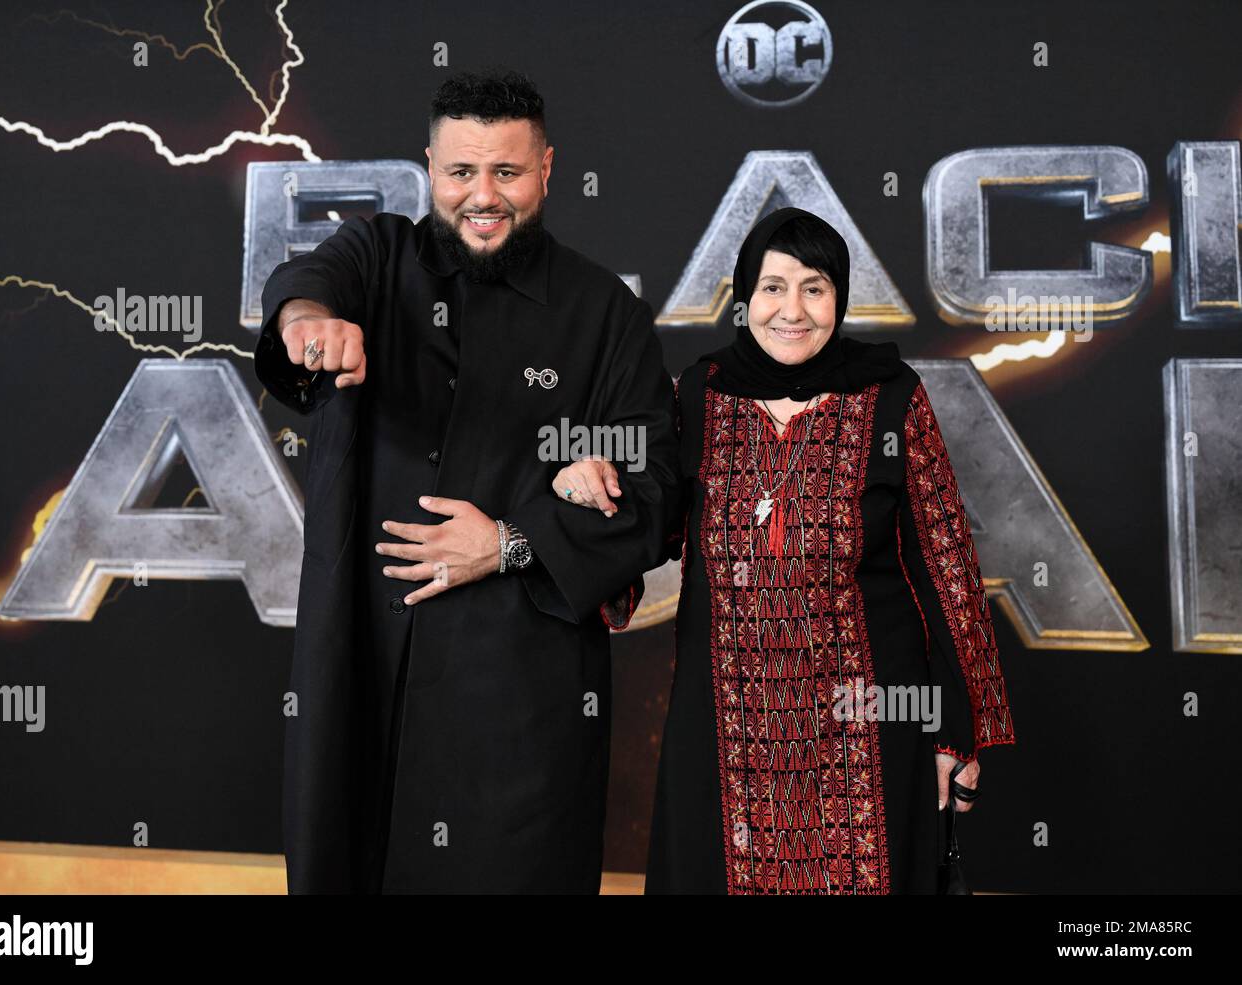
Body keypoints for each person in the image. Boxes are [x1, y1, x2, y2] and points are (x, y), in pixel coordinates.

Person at [253, 69, 679, 893]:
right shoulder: (374, 258)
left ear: (548, 171)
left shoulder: (605, 314)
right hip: (358, 673)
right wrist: (308, 322)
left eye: (507, 173)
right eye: (460, 173)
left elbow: (654, 489)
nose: (482, 196)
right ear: (429, 170)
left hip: (520, 705)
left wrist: (512, 542)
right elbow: (301, 287)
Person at [552, 208, 1017, 893]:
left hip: (866, 727)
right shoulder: (699, 396)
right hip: (725, 727)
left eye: (814, 287)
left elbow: (947, 570)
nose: (790, 310)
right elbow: (651, 522)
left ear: (841, 297)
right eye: (772, 288)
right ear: (745, 298)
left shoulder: (892, 397)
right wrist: (585, 479)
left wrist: (955, 730)